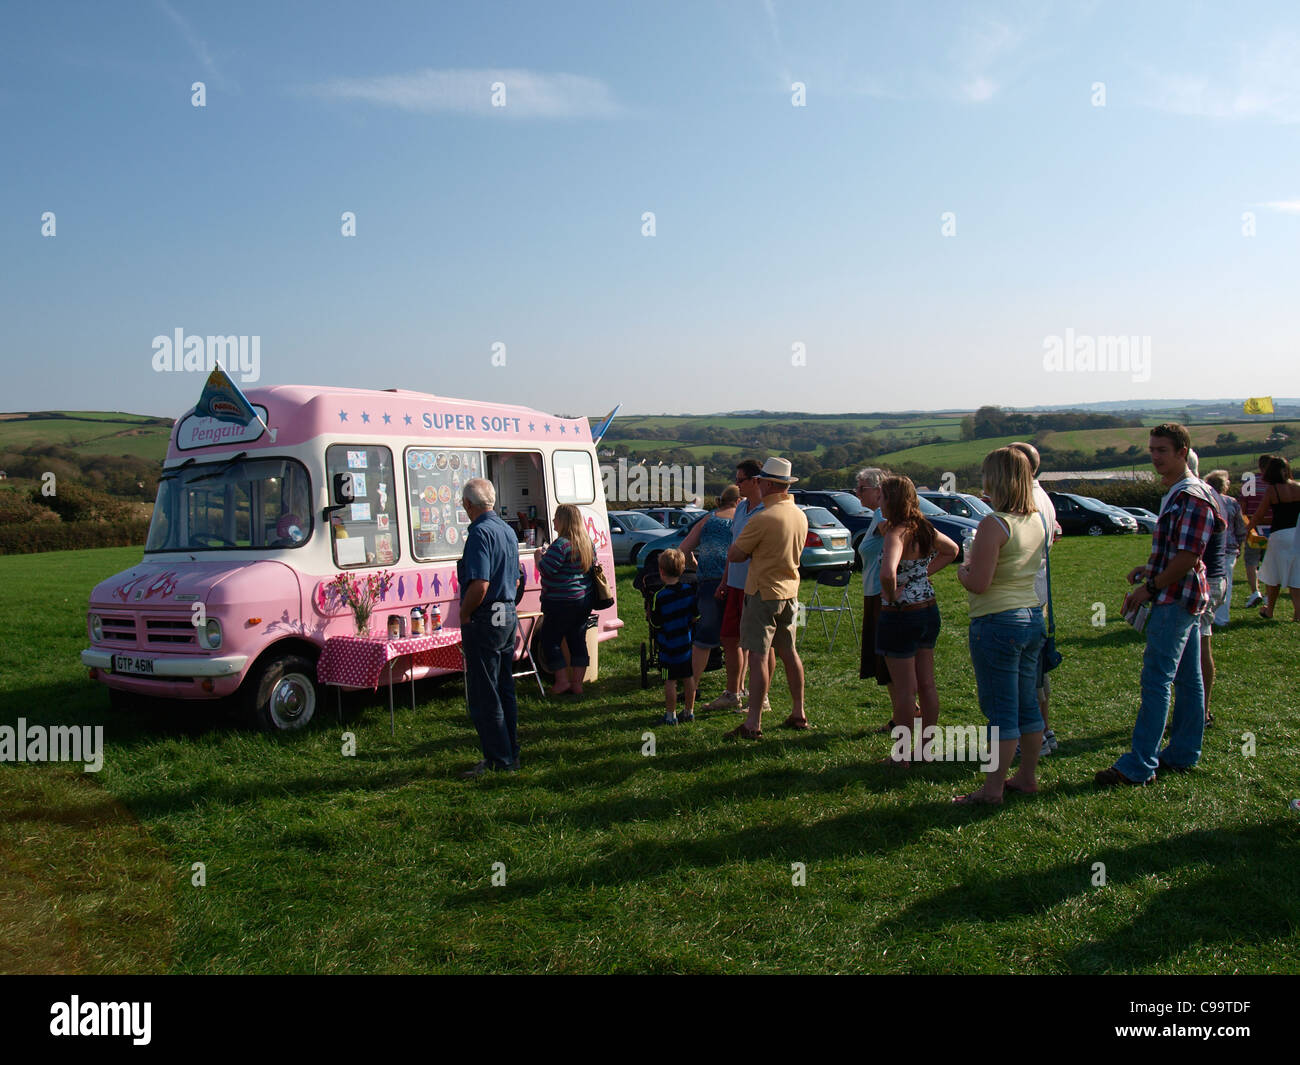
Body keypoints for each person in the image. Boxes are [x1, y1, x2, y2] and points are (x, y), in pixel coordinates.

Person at [1096, 424, 1220, 788]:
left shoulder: (1191, 497)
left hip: (1175, 599)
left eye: (1162, 450)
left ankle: (1139, 765)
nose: (1154, 456)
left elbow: (1187, 557)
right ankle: (1182, 753)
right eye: (1151, 449)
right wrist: (1149, 568)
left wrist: (1149, 587)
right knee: (1188, 679)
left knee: (1156, 681)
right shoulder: (1179, 493)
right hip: (1182, 596)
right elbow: (1176, 554)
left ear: (1183, 452)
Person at [953, 448, 1047, 803]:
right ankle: (1026, 777)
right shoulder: (1037, 520)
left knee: (1001, 711)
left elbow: (978, 582)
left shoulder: (994, 524)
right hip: (1030, 617)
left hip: (997, 621)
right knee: (1027, 707)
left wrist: (963, 568)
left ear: (998, 479)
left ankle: (992, 789)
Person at [724, 457, 809, 738]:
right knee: (789, 653)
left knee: (758, 657)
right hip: (790, 591)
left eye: (759, 480)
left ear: (768, 484)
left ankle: (753, 723)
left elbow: (735, 554)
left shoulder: (762, 518)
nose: (755, 484)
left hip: (762, 592)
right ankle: (798, 712)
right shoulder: (799, 514)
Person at [876, 475, 959, 764]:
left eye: (882, 496)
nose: (879, 501)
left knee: (904, 690)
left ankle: (901, 755)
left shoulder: (896, 534)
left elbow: (887, 573)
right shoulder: (923, 528)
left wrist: (895, 594)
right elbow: (952, 550)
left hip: (900, 616)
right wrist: (921, 576)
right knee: (927, 685)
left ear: (893, 500)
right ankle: (924, 750)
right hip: (928, 610)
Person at [457, 477, 522, 778]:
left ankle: (498, 758)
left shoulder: (479, 534)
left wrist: (465, 613)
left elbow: (480, 584)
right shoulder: (507, 530)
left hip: (487, 614)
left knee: (486, 692)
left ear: (468, 505)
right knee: (504, 686)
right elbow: (518, 576)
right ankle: (510, 751)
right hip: (507, 612)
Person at [707, 460, 773, 713]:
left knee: (762, 645)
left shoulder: (767, 509)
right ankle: (733, 692)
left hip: (757, 586)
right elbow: (733, 548)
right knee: (729, 638)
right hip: (735, 584)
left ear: (756, 480)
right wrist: (724, 580)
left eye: (741, 479)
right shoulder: (742, 508)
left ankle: (761, 698)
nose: (736, 484)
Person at [1010, 441, 1059, 756]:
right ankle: (1044, 731)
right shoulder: (1043, 496)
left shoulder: (1028, 499)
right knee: (1034, 670)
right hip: (1035, 591)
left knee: (1027, 674)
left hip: (1023, 592)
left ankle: (1035, 738)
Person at [679, 485, 738, 700]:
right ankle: (737, 688)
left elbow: (683, 549)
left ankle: (692, 686)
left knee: (703, 639)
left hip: (708, 583)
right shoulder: (741, 519)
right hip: (736, 581)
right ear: (738, 501)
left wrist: (695, 564)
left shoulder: (708, 519)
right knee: (736, 640)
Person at [854, 467, 901, 731]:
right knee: (883, 658)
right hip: (875, 592)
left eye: (862, 488)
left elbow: (897, 541)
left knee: (888, 659)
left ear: (878, 490)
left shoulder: (884, 516)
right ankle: (903, 711)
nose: (857, 492)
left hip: (881, 594)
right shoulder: (877, 514)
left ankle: (903, 714)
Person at [538, 503, 596, 696]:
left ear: (564, 521)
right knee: (577, 640)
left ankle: (562, 681)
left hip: (560, 601)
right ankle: (577, 684)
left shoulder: (561, 544)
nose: (553, 521)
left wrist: (538, 557)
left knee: (550, 640)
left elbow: (547, 569)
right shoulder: (587, 543)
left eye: (556, 517)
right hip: (583, 600)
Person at [1190, 457, 1228, 726]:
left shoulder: (1195, 495)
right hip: (1217, 574)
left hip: (1205, 578)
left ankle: (1199, 713)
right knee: (1200, 643)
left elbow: (1191, 550)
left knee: (1198, 647)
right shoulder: (1212, 493)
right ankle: (1198, 712)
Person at [1245, 456, 1300, 620]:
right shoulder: (1298, 487)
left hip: (1278, 536)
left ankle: (1270, 610)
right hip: (1297, 535)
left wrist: (1247, 529)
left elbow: (1259, 515)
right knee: (1296, 576)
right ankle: (1298, 613)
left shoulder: (1272, 490)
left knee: (1273, 575)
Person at [649, 549, 698, 723]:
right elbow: (695, 615)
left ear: (661, 572)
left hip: (666, 649)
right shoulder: (688, 591)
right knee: (688, 678)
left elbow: (656, 623)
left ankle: (671, 715)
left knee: (669, 681)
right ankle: (689, 711)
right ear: (682, 570)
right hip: (685, 645)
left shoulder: (659, 596)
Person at [1205, 470, 1246, 629]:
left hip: (1209, 548)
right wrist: (1240, 544)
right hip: (1229, 548)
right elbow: (1240, 528)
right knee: (1226, 583)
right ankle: (1221, 618)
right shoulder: (1232, 503)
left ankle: (1207, 613)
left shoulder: (1206, 501)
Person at [1241, 454, 1274, 608]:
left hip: (1253, 526)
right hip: (1273, 527)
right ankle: (1269, 594)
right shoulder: (1276, 484)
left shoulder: (1250, 481)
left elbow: (1243, 506)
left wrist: (1245, 525)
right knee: (1269, 562)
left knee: (1251, 561)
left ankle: (1255, 591)